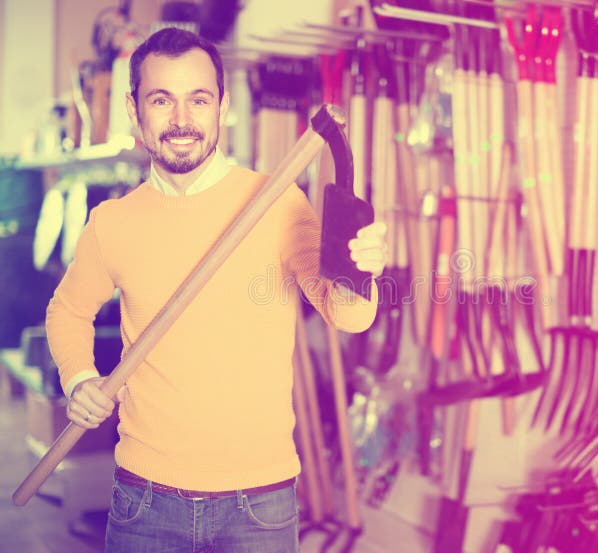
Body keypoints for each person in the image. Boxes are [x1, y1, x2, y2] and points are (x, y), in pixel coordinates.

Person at [45, 27, 387, 553]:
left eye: (198, 100)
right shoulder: (112, 222)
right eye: (162, 100)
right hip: (145, 498)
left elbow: (348, 316)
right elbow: (67, 311)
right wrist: (80, 379)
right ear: (135, 112)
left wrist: (358, 267)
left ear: (222, 107)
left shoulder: (277, 202)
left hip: (260, 502)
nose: (182, 120)